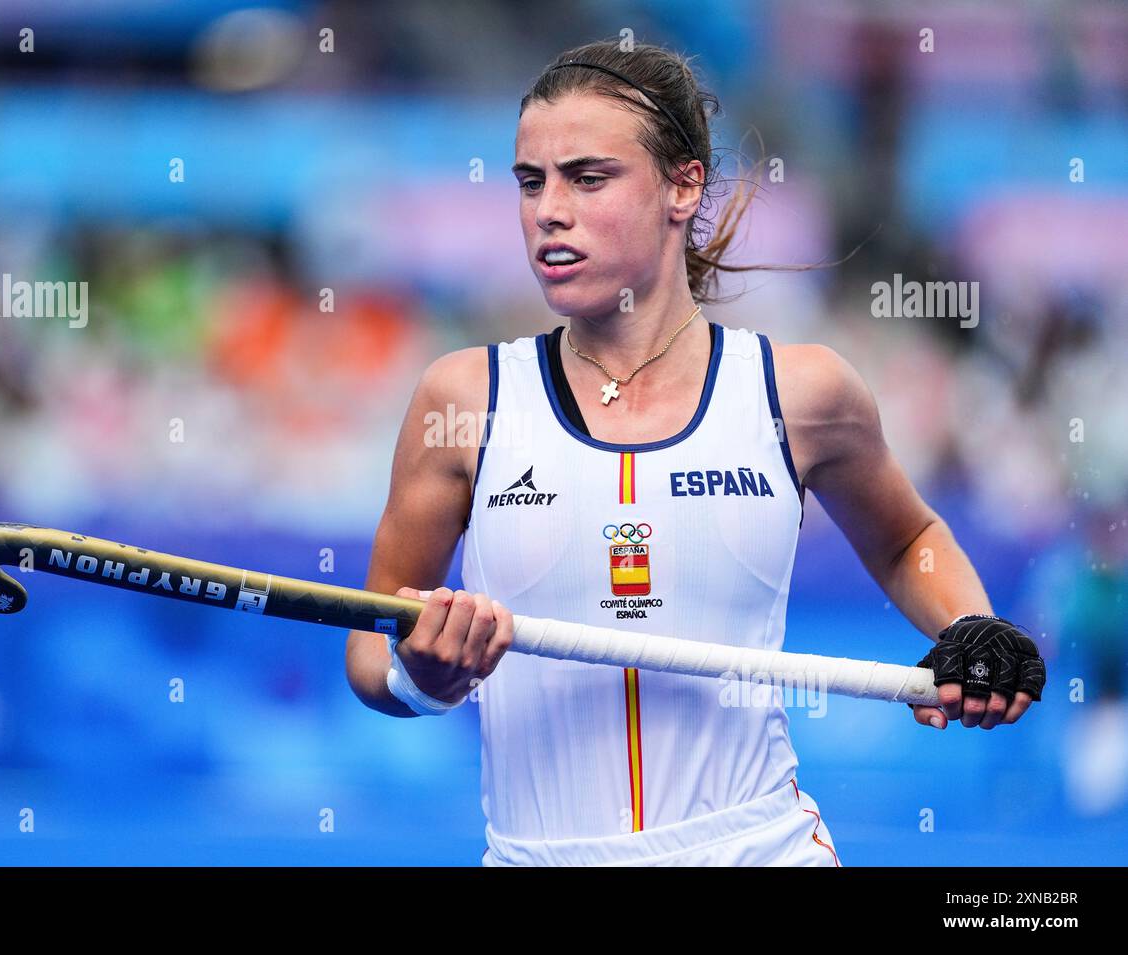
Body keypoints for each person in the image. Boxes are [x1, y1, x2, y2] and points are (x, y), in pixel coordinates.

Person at [344, 39, 1046, 866]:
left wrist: (970, 626)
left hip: (759, 849)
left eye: (588, 177)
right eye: (531, 182)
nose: (548, 212)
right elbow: (368, 644)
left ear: (684, 186)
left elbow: (906, 540)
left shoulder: (802, 393)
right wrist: (424, 680)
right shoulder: (462, 400)